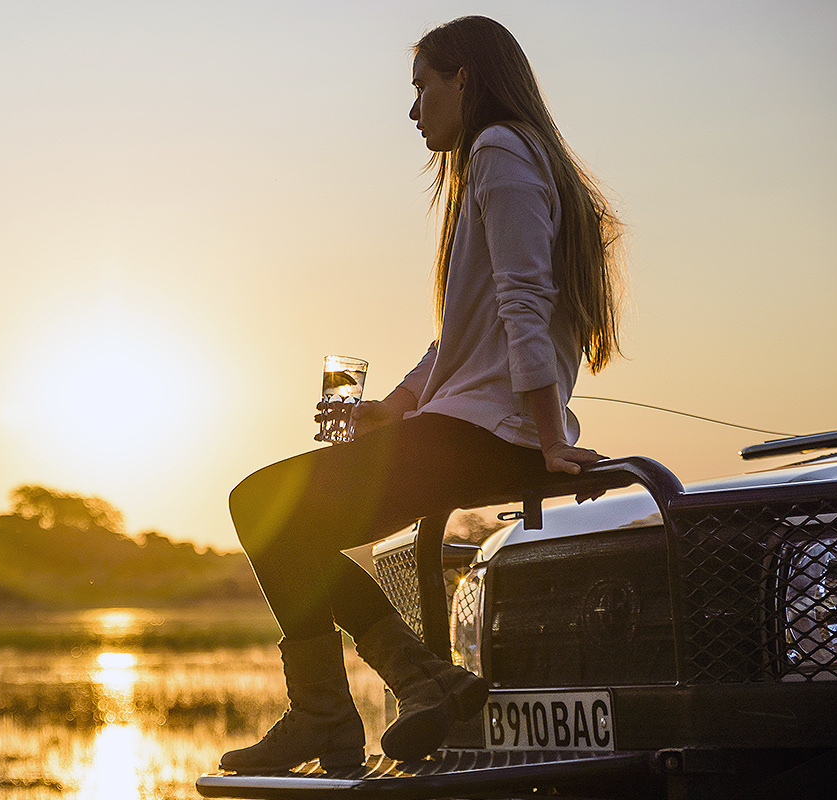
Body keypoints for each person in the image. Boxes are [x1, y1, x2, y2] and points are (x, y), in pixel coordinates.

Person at [221, 16, 623, 772]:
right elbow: (459, 337)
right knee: (281, 523)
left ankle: (349, 706)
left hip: (482, 435)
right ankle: (410, 685)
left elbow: (524, 303)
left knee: (260, 506)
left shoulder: (499, 150)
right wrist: (393, 409)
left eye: (422, 88)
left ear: (463, 79)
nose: (413, 111)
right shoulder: (507, 160)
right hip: (468, 428)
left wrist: (549, 440)